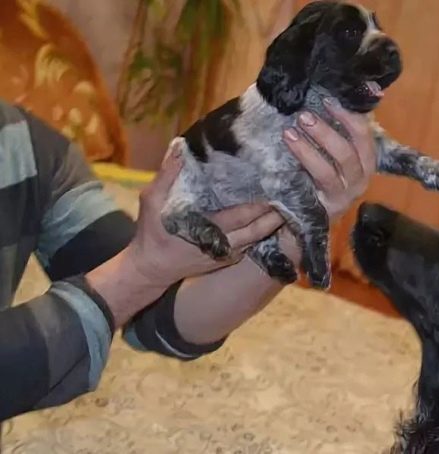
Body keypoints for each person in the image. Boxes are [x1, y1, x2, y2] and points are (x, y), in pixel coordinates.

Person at [0, 100, 376, 421]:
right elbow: (134, 275)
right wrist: (141, 271)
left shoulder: (29, 149)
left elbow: (158, 317)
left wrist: (292, 233)